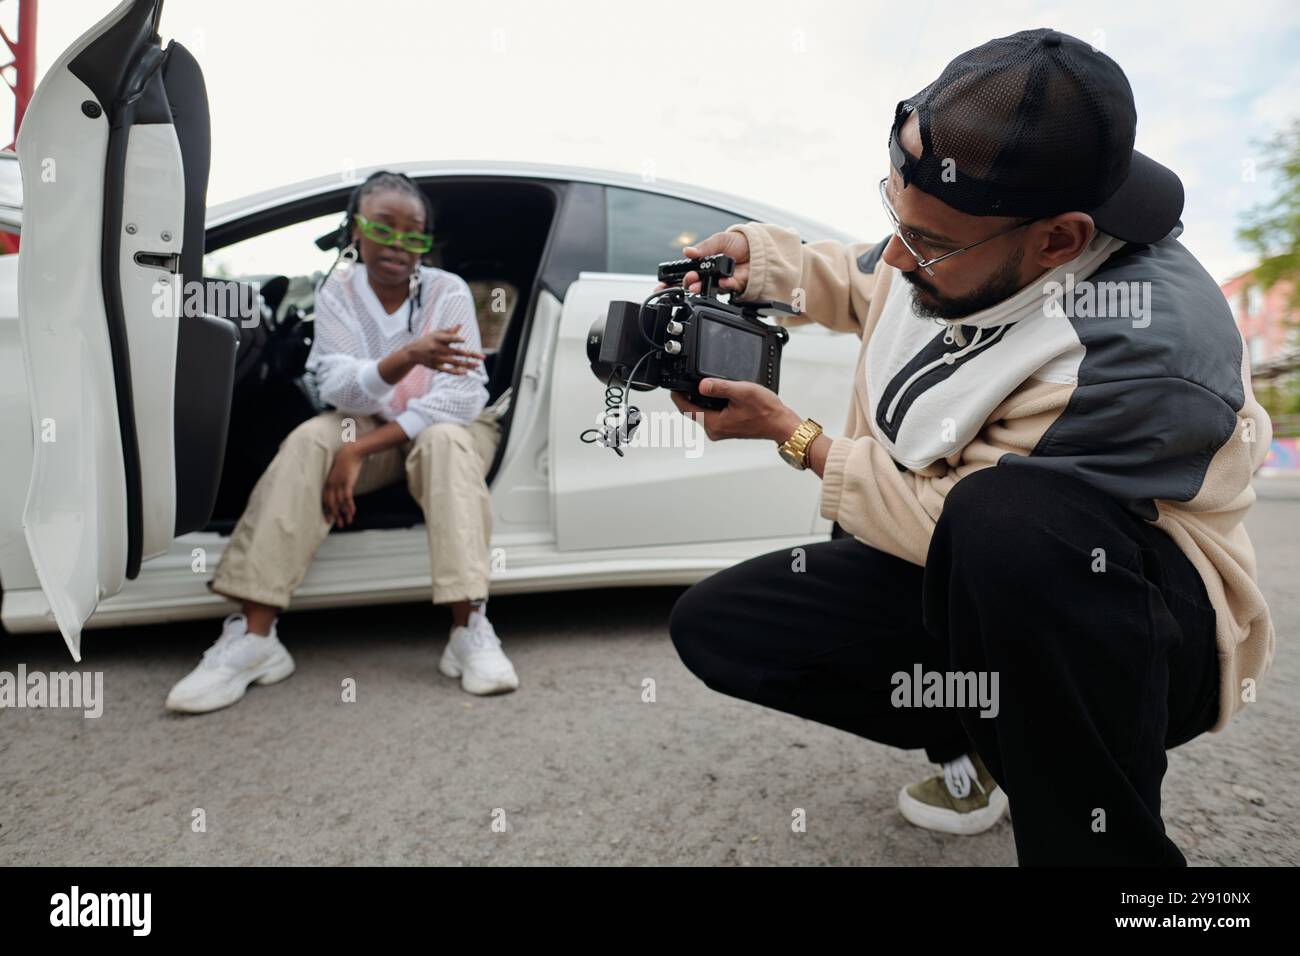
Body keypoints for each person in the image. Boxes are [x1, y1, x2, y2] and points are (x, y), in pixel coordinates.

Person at [666, 29, 1274, 865]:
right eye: (898, 217)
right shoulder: (975, 235)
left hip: (1128, 616)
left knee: (1007, 522)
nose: (900, 256)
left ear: (1058, 240)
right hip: (979, 581)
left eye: (930, 243)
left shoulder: (1145, 351)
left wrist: (797, 437)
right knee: (723, 627)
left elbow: (955, 522)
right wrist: (760, 261)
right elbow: (862, 277)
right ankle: (990, 734)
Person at [167, 171, 517, 713]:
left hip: (449, 428)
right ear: (356, 230)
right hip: (371, 422)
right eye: (383, 228)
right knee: (311, 439)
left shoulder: (446, 291)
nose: (398, 245)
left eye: (413, 234)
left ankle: (469, 627)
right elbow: (337, 387)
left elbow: (463, 397)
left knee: (443, 442)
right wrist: (405, 357)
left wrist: (356, 451)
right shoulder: (338, 292)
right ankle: (255, 636)